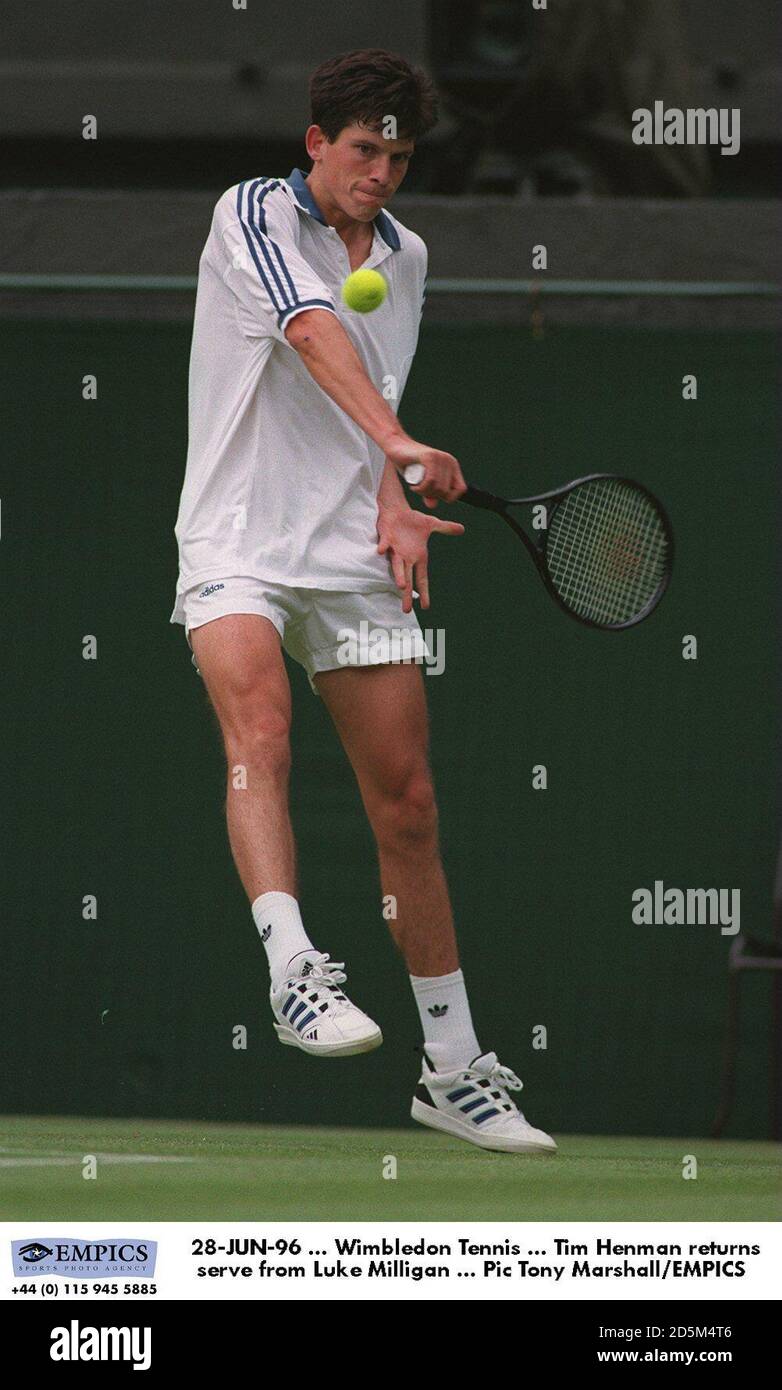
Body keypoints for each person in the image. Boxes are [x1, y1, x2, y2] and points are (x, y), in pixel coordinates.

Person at [170, 48, 556, 1155]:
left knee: (409, 803)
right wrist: (396, 440)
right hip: (236, 539)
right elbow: (311, 332)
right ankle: (294, 967)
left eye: (397, 156)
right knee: (262, 734)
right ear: (314, 144)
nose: (379, 173)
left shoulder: (407, 255)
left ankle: (452, 1065)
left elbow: (374, 390)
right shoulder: (248, 213)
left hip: (347, 552)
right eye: (361, 151)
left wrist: (388, 495)